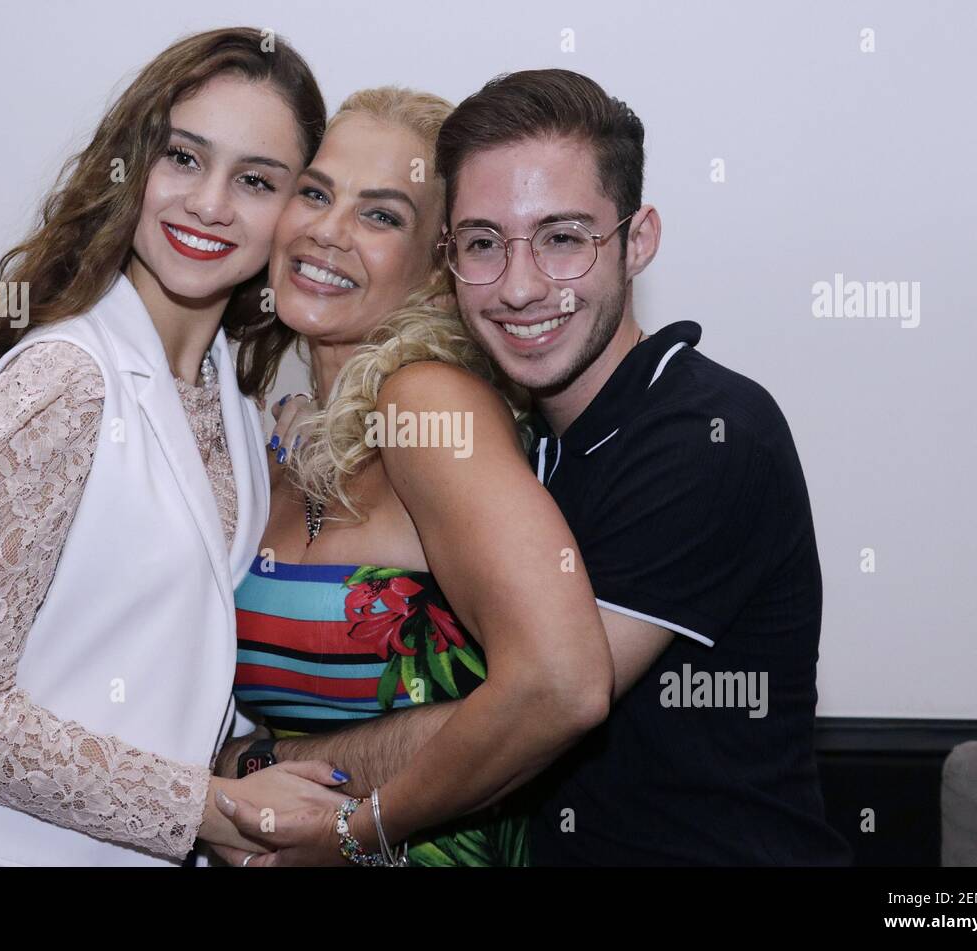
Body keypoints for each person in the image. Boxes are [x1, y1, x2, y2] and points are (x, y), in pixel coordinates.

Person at [218, 68, 853, 866]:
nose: (521, 286)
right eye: (486, 242)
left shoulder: (707, 436)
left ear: (639, 239)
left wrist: (261, 776)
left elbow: (546, 696)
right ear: (455, 261)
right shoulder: (530, 433)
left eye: (562, 239)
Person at [0, 28, 346, 868]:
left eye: (256, 181)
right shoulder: (64, 376)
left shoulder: (236, 403)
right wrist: (211, 809)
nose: (209, 204)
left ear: (293, 211)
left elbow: (185, 663)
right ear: (133, 165)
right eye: (182, 158)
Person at [207, 86, 614, 867]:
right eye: (316, 194)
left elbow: (563, 684)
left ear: (439, 266)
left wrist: (330, 828)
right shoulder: (274, 442)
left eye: (382, 215)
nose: (328, 231)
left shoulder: (428, 405)